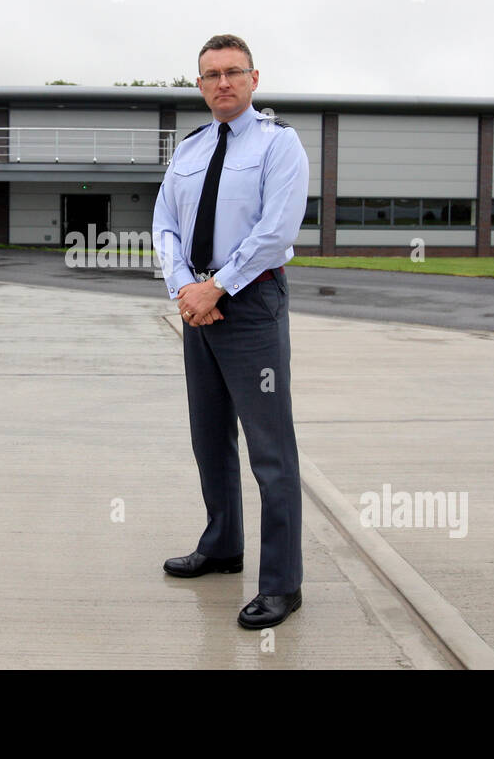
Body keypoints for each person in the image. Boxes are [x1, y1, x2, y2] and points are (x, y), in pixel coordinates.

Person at [151, 34, 309, 630]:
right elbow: (164, 222)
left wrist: (217, 286)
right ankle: (222, 545)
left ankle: (281, 585)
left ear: (254, 79)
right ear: (199, 84)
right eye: (211, 74)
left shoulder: (278, 144)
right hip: (197, 304)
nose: (222, 82)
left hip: (250, 302)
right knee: (208, 436)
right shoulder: (188, 151)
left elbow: (276, 229)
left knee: (271, 450)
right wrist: (185, 290)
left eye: (233, 72)